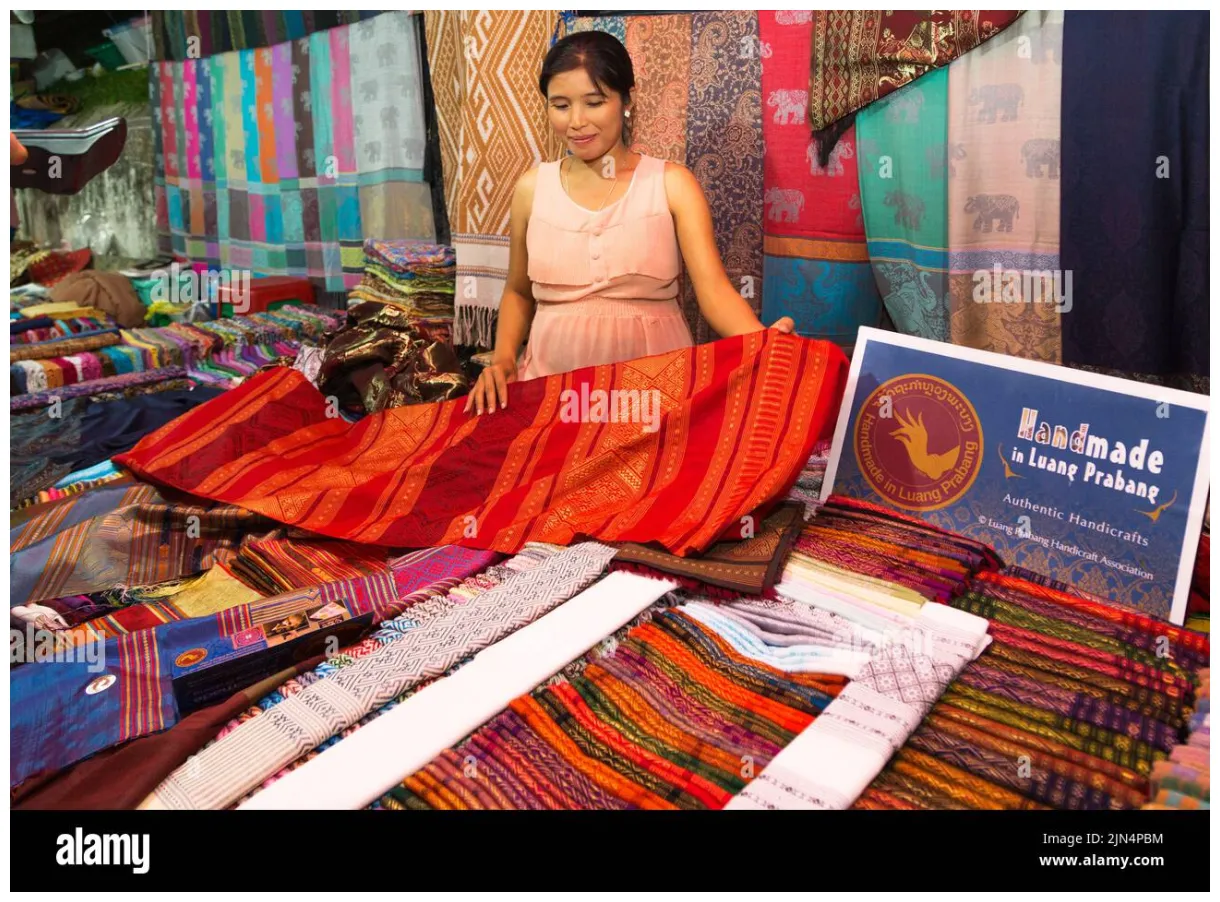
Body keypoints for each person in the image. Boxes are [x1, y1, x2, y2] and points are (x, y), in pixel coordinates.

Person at [465, 31, 794, 414]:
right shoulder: (532, 189)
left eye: (594, 102)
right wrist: (504, 359)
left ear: (627, 100)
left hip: (657, 401)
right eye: (560, 105)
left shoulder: (672, 184)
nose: (577, 122)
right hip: (551, 395)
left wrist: (765, 341)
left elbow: (715, 293)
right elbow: (519, 291)